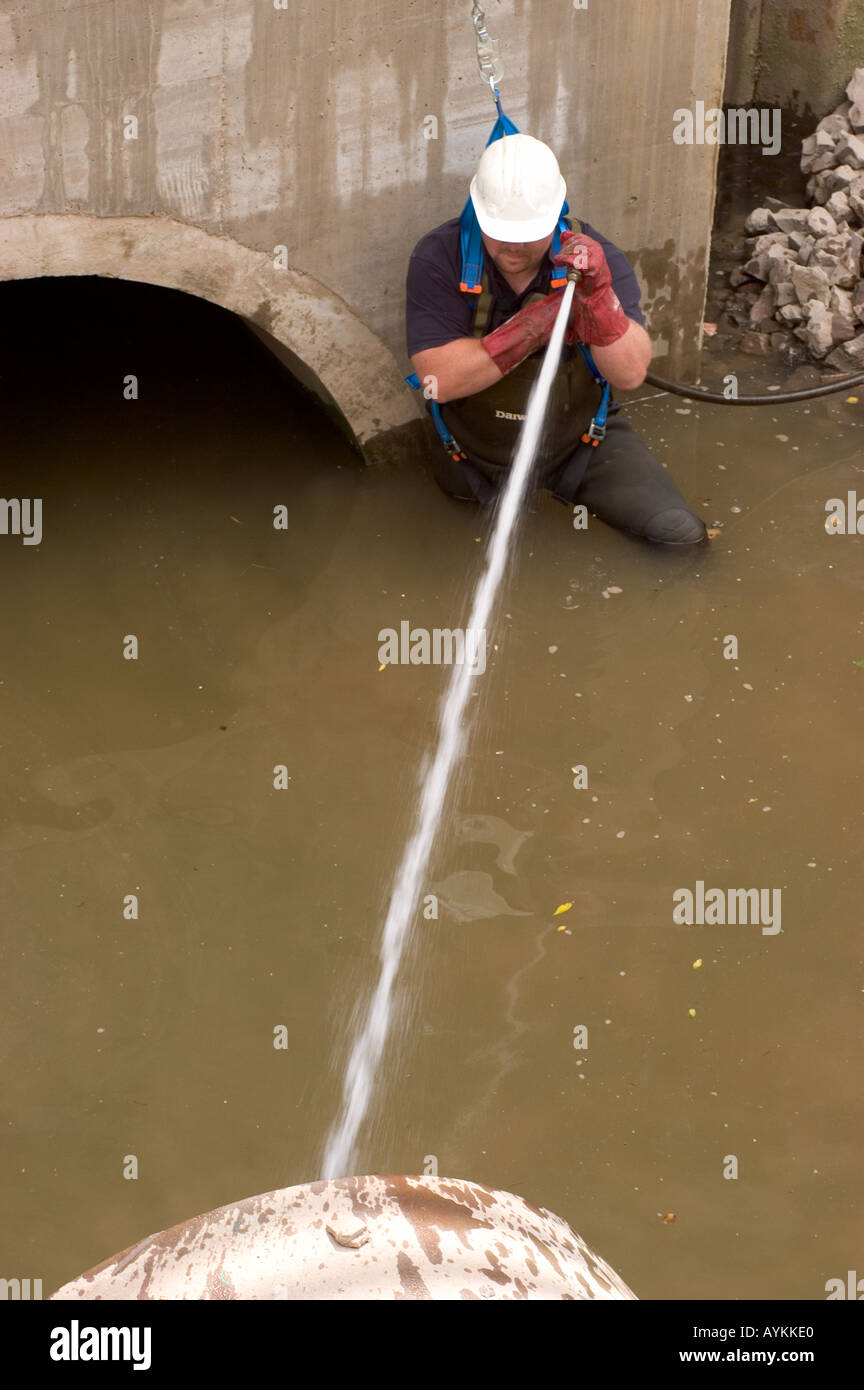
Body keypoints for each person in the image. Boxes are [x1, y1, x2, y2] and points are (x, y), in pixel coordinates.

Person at [406, 133, 707, 547]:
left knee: (680, 535)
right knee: (449, 550)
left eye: (527, 233)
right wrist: (538, 323)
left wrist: (599, 302)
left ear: (554, 216)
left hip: (579, 445)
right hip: (472, 455)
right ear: (477, 211)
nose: (513, 245)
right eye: (501, 231)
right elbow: (438, 380)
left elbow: (631, 372)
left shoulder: (595, 259)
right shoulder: (440, 256)